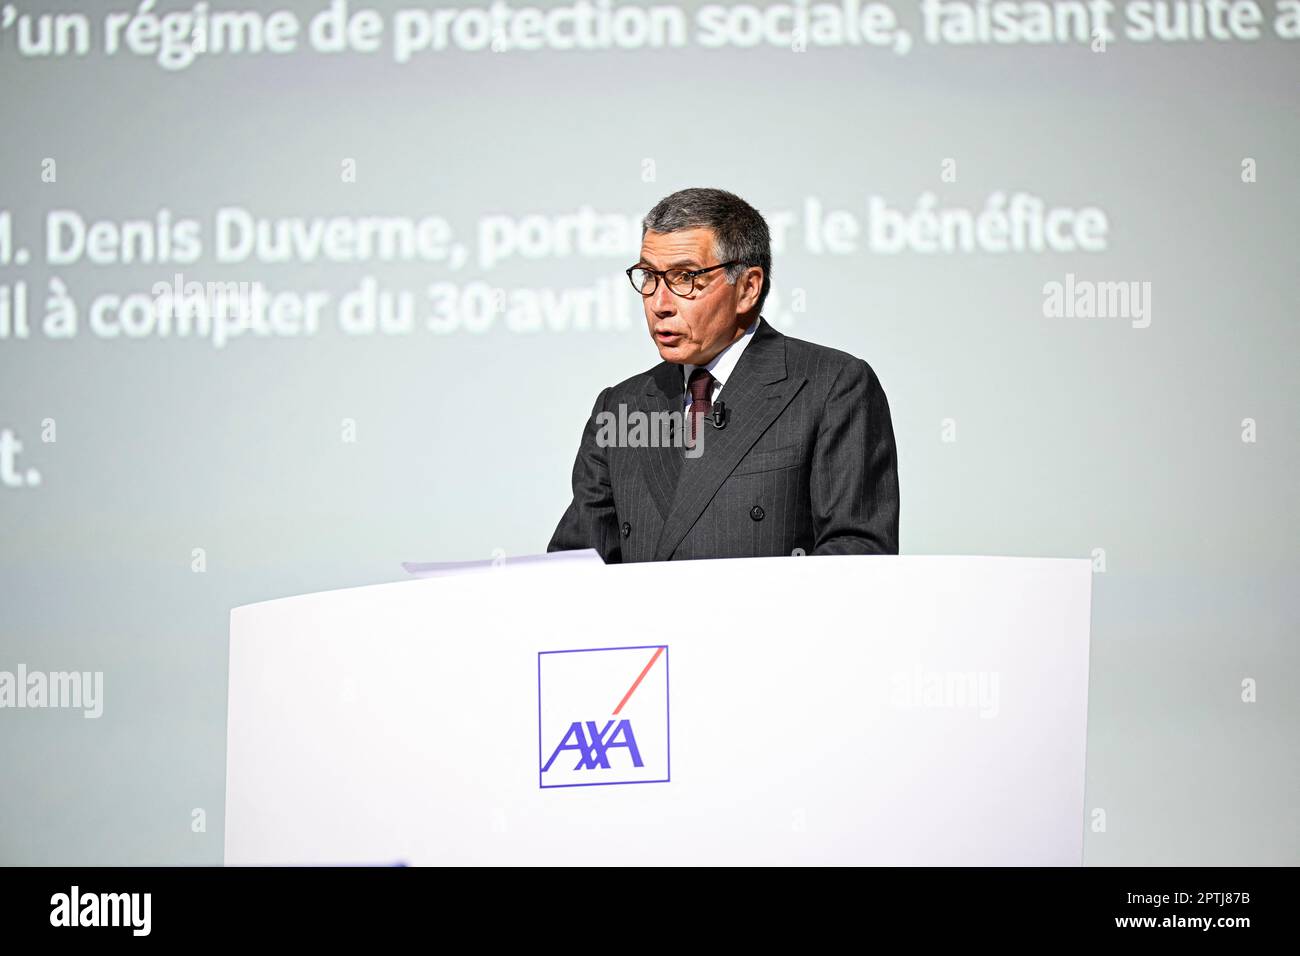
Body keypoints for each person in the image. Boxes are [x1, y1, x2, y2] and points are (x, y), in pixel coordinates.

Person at [548, 187, 899, 563]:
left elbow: (856, 555)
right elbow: (576, 567)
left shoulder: (831, 386)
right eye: (649, 276)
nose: (659, 304)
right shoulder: (621, 405)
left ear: (748, 288)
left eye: (685, 278)